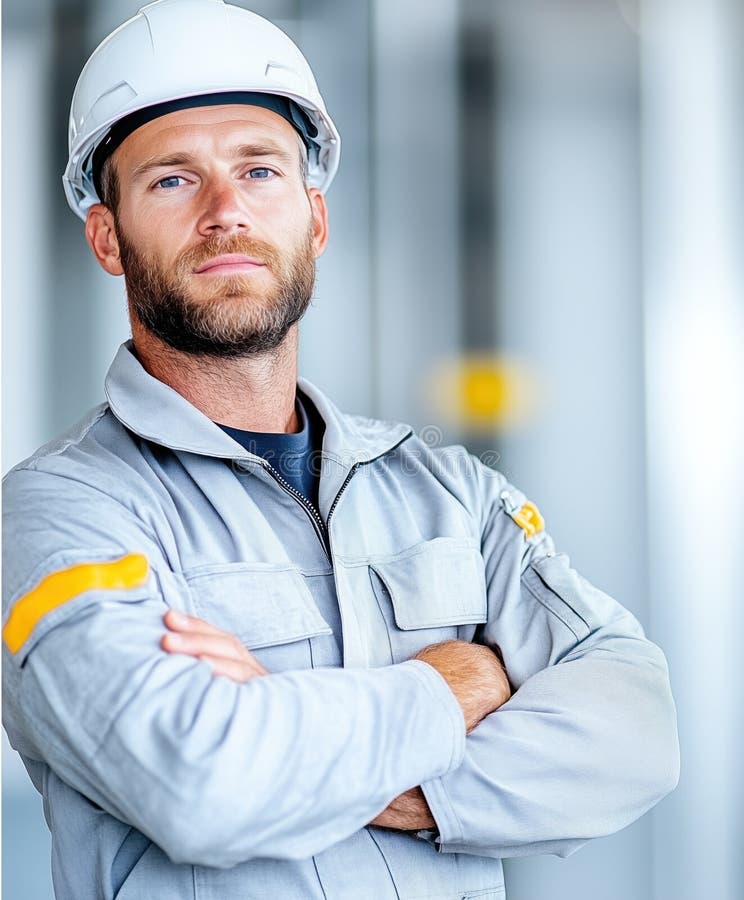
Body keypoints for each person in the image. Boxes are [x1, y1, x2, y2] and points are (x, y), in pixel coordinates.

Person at [2, 1, 679, 898]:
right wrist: (457, 682)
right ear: (106, 237)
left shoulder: (449, 494)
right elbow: (198, 785)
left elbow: (637, 731)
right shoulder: (60, 511)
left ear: (314, 221)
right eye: (172, 179)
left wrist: (321, 761)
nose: (225, 212)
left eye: (259, 170)